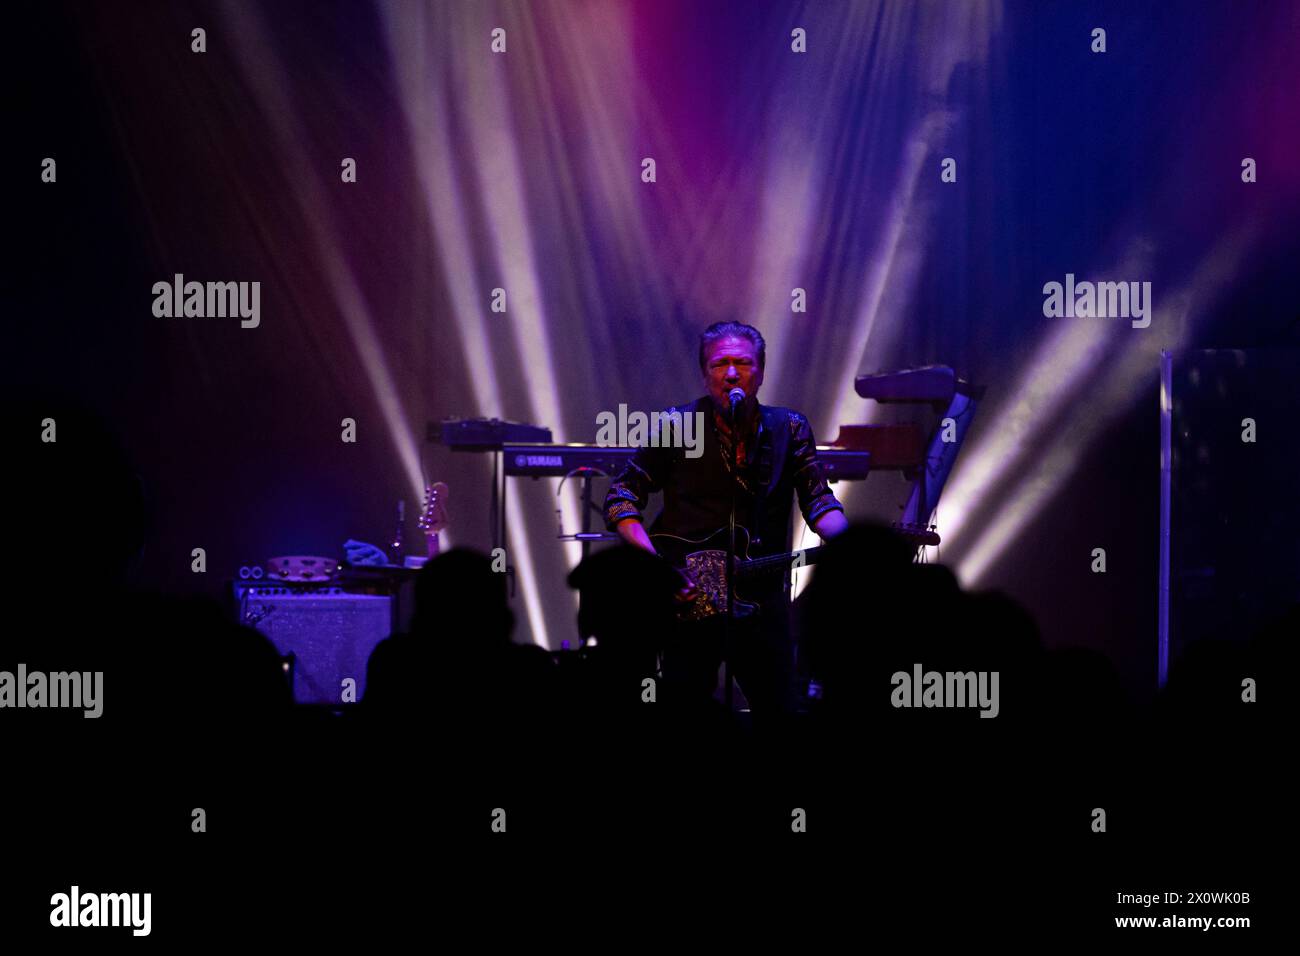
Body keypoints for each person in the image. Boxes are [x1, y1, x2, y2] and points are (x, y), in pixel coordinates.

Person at [603, 321, 847, 724]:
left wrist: (853, 546)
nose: (731, 373)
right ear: (705, 373)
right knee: (683, 714)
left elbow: (819, 500)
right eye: (720, 364)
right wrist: (659, 572)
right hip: (687, 598)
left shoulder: (789, 428)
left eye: (742, 363)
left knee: (780, 715)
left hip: (763, 600)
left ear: (761, 372)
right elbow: (622, 497)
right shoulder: (676, 426)